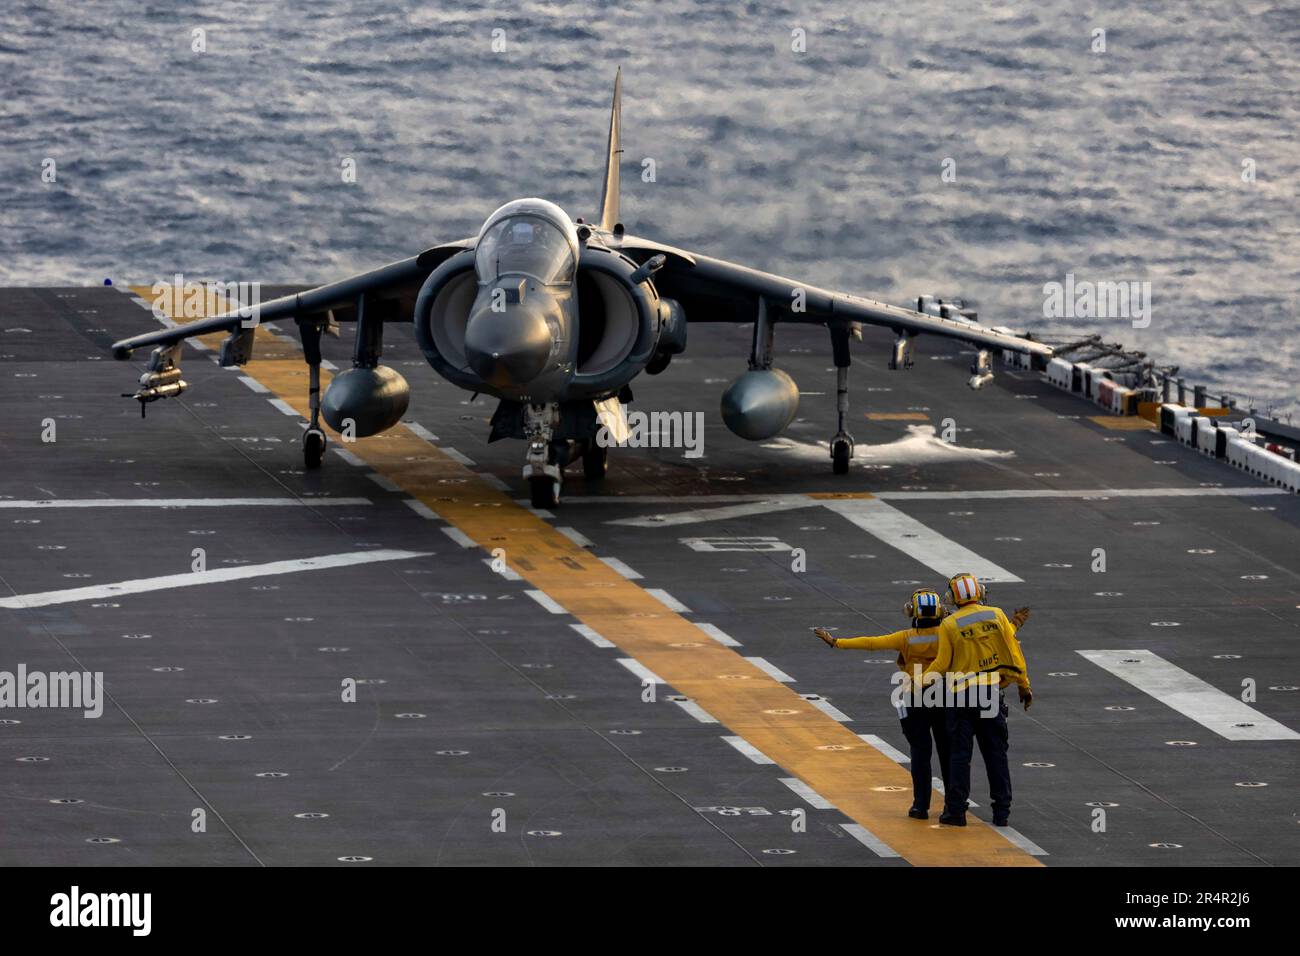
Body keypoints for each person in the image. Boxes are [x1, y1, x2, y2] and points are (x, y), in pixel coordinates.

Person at [813, 589, 951, 819]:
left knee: (920, 751)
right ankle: (953, 805)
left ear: (913, 611)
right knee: (948, 751)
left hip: (914, 695)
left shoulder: (906, 637)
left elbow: (871, 643)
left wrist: (837, 642)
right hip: (944, 693)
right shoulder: (948, 634)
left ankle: (920, 806)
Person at [922, 572, 1032, 828]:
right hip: (990, 695)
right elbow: (1015, 654)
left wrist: (920, 682)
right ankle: (1001, 812)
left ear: (951, 598)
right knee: (996, 754)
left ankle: (957, 812)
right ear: (979, 592)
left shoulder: (949, 625)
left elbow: (941, 663)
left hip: (961, 698)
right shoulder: (997, 614)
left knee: (960, 755)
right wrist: (1025, 687)